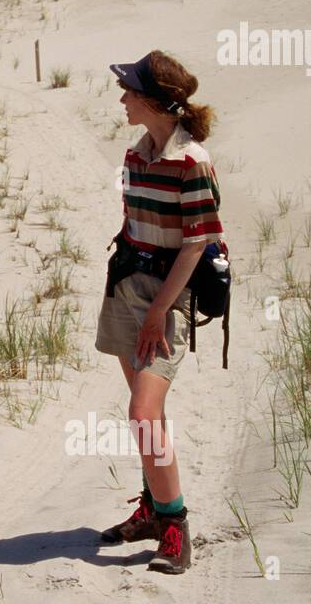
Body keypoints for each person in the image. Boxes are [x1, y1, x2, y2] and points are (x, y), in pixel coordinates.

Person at [94, 50, 227, 575]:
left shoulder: (192, 161)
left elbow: (197, 244)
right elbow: (134, 221)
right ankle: (151, 510)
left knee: (144, 416)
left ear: (154, 101)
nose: (123, 99)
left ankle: (175, 528)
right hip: (127, 284)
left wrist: (158, 313)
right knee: (150, 415)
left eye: (130, 92)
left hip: (166, 298)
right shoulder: (136, 153)